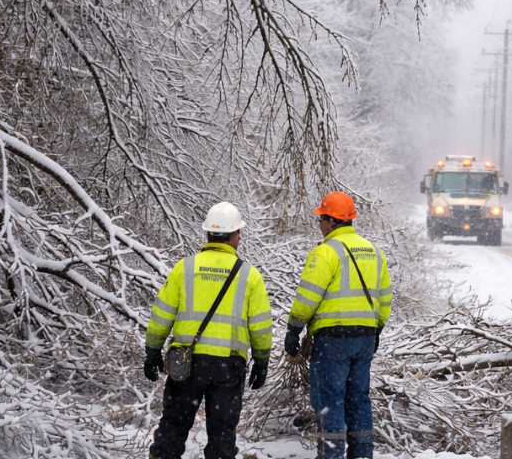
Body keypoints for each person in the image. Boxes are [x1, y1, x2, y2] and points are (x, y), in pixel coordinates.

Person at [144, 202, 273, 459]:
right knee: (222, 436)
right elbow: (260, 325)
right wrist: (261, 362)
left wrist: (152, 351)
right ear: (236, 235)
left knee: (173, 428)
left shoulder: (185, 268)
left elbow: (161, 315)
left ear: (207, 234)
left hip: (186, 365)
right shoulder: (249, 275)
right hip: (229, 367)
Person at [285, 191, 393, 459]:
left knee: (328, 399)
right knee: (359, 399)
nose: (319, 225)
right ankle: (362, 454)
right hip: (366, 338)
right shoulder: (375, 253)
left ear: (332, 221)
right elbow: (386, 299)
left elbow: (307, 298)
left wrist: (294, 329)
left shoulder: (325, 253)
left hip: (333, 339)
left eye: (321, 219)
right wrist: (376, 329)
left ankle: (331, 455)